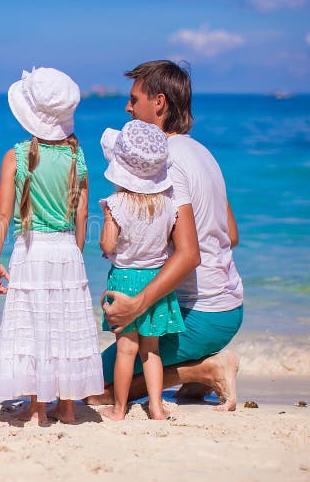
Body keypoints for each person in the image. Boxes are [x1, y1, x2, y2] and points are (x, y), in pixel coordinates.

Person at [86, 60, 243, 411]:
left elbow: (189, 254)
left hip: (197, 314)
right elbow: (229, 235)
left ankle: (205, 370)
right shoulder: (204, 153)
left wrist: (136, 305)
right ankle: (194, 371)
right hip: (228, 308)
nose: (127, 107)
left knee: (90, 387)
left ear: (158, 103)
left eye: (134, 99)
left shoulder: (166, 163)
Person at [0, 67, 104, 425]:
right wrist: (76, 252)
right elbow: (82, 214)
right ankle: (67, 408)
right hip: (67, 249)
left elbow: (3, 213)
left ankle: (38, 407)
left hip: (32, 250)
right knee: (64, 329)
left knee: (37, 325)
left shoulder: (18, 156)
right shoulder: (77, 157)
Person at [97, 120, 186, 421]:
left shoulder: (115, 203)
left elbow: (108, 245)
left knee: (126, 349)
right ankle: (157, 408)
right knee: (152, 350)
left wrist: (107, 222)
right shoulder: (168, 203)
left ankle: (120, 409)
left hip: (124, 279)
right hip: (156, 280)